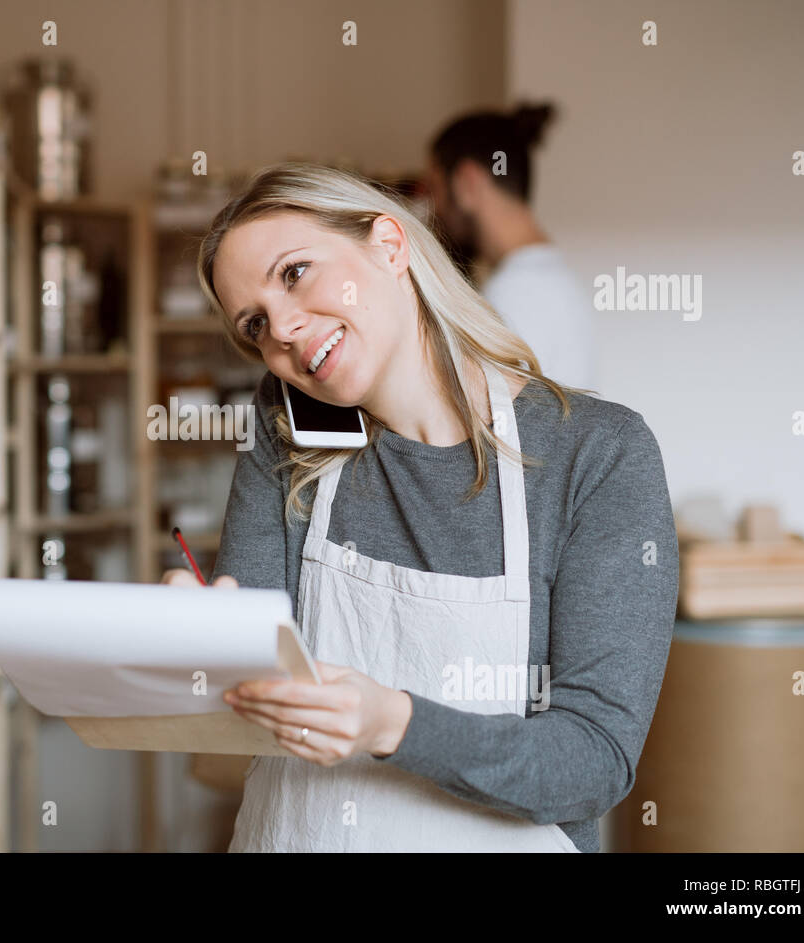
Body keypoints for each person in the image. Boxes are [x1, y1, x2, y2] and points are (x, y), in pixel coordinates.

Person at [162, 162, 677, 853]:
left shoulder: (600, 453)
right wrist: (207, 638)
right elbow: (255, 693)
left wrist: (391, 724)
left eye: (294, 273)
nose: (280, 329)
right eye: (254, 323)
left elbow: (592, 761)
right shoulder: (285, 432)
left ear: (389, 245)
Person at [427, 103, 596, 390]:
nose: (435, 209)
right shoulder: (550, 277)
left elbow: (498, 423)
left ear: (467, 182)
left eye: (435, 189)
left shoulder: (515, 292)